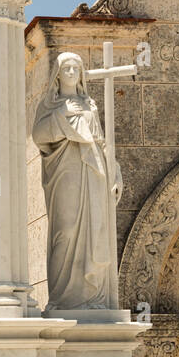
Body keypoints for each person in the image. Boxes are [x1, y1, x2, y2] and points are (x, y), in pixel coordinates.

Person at [32, 51, 123, 310]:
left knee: (95, 231)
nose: (71, 73)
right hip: (66, 172)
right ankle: (63, 298)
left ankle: (93, 297)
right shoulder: (50, 106)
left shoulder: (90, 105)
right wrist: (62, 116)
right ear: (57, 74)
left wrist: (114, 173)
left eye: (76, 68)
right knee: (66, 229)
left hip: (94, 173)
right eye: (66, 68)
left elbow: (102, 142)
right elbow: (39, 135)